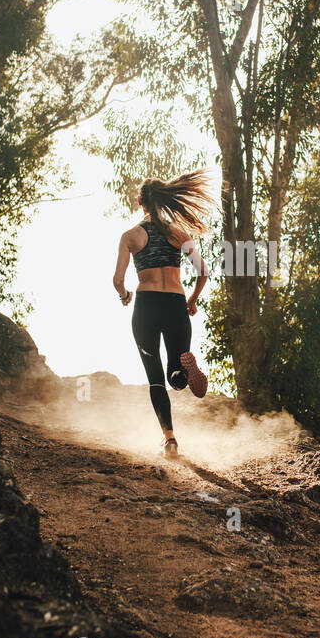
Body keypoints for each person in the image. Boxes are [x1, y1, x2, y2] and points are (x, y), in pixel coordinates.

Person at [112, 170, 216, 458]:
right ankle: (185, 367)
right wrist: (192, 301)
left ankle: (170, 440)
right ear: (164, 202)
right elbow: (203, 271)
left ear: (140, 202)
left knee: (156, 377)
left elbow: (118, 280)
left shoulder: (131, 236)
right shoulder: (178, 234)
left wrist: (124, 296)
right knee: (176, 376)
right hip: (175, 303)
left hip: (146, 305)